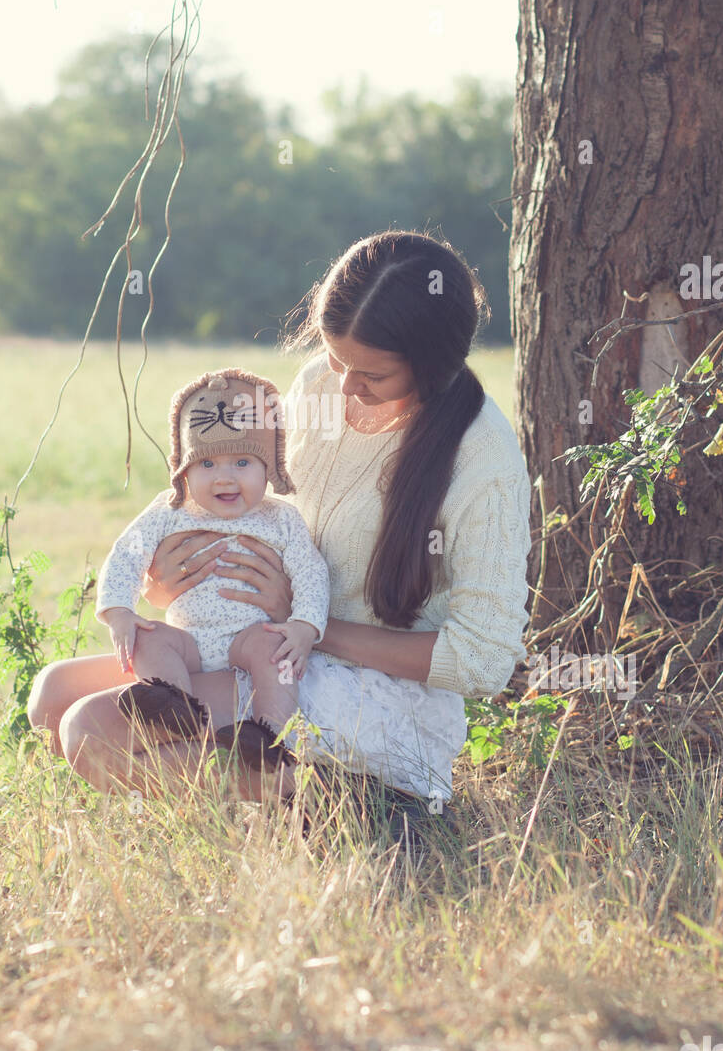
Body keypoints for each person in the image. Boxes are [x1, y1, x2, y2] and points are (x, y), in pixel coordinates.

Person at [28, 229, 532, 808]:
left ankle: (318, 799)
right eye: (336, 357)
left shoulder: (482, 462)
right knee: (51, 697)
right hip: (263, 640)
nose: (345, 384)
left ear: (432, 365)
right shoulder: (321, 383)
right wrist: (170, 581)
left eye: (372, 375)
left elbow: (484, 661)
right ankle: (263, 801)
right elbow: (253, 498)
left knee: (93, 731)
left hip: (371, 682)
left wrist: (306, 620)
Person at [96, 368, 330, 769]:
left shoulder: (280, 519)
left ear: (269, 469)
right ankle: (175, 710)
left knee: (274, 649)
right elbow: (126, 554)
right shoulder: (169, 512)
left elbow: (311, 572)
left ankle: (269, 737)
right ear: (183, 470)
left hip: (248, 638)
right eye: (206, 463)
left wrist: (305, 625)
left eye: (242, 461)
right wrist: (119, 611)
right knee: (148, 639)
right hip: (188, 644)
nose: (224, 477)